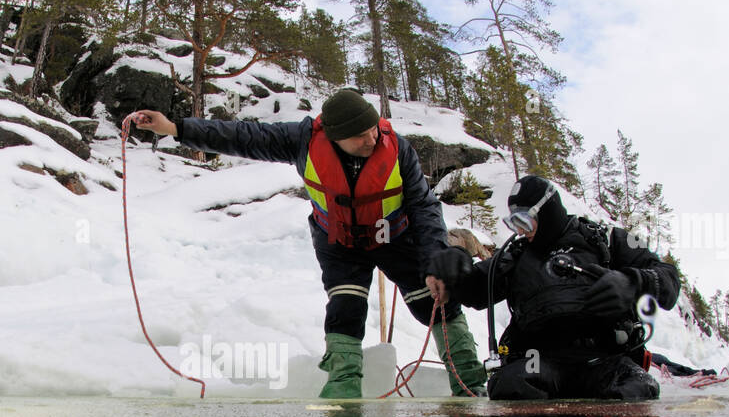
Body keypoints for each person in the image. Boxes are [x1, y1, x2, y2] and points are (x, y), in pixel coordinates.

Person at [128, 89, 488, 398]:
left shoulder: (399, 150)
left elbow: (424, 207)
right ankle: (344, 390)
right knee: (345, 310)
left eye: (374, 130)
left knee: (435, 301)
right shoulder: (303, 140)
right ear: (335, 136)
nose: (372, 139)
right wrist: (175, 128)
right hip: (340, 243)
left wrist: (435, 261)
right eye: (361, 135)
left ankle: (471, 384)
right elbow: (244, 136)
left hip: (396, 237)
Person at [424, 175, 680, 400]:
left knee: (638, 388)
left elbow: (668, 278)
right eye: (513, 224)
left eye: (524, 221)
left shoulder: (607, 240)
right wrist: (455, 264)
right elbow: (477, 288)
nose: (520, 231)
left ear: (546, 210)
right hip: (541, 365)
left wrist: (631, 284)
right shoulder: (516, 256)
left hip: (604, 361)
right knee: (508, 385)